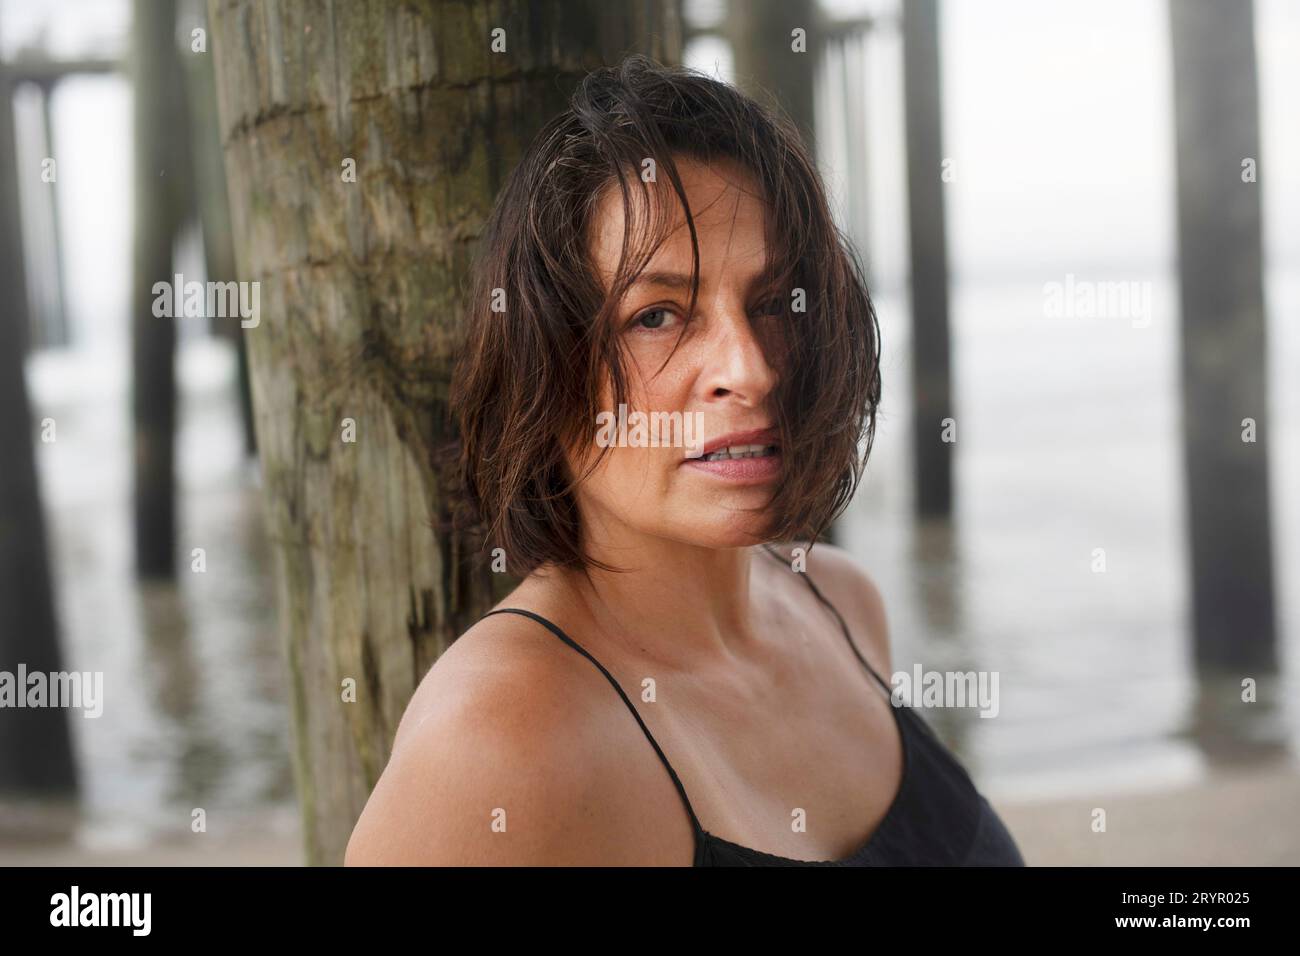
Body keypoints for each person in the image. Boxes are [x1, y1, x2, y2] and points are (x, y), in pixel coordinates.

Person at [345, 55, 1024, 867]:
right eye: (658, 315)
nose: (751, 368)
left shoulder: (840, 605)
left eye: (774, 302)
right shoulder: (500, 735)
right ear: (543, 361)